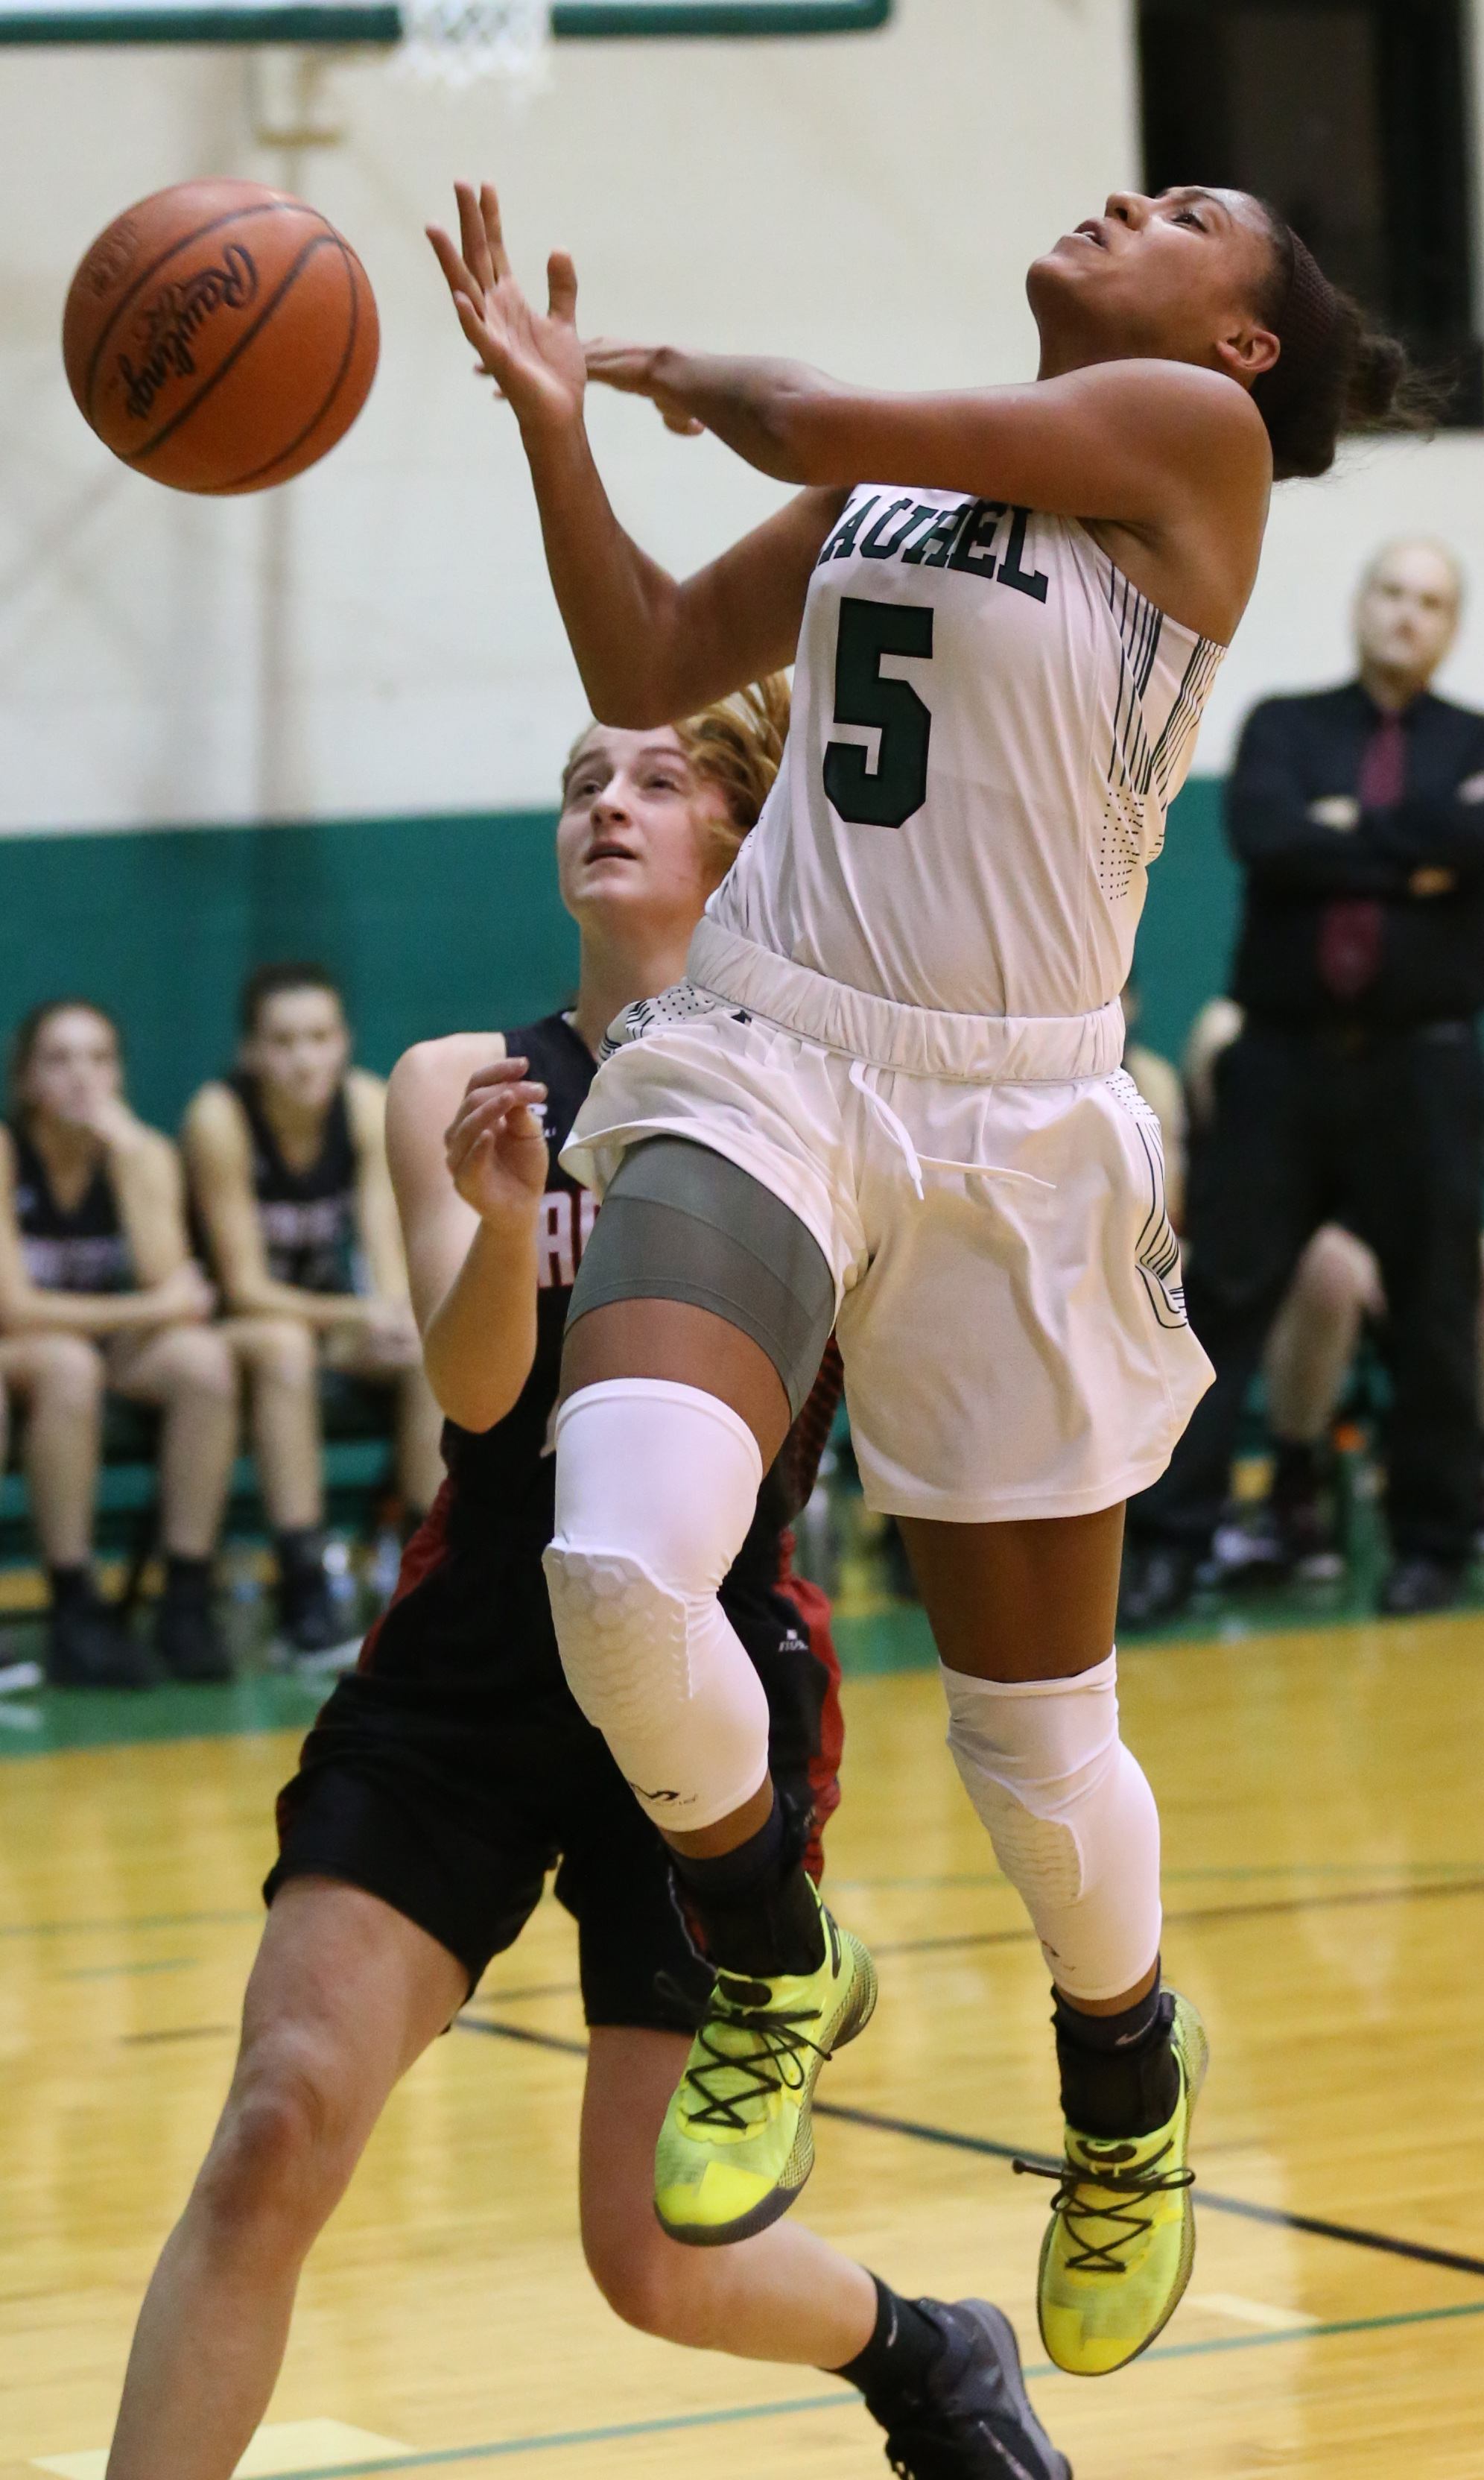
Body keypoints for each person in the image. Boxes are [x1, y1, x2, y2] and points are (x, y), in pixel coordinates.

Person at [428, 174, 1418, 2379]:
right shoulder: (903, 481)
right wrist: (549, 420)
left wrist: (673, 368)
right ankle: (766, 1939)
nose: (1126, 198)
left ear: (1239, 344)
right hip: (771, 1052)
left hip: (1015, 1127)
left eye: (1184, 212)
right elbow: (650, 662)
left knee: (1033, 1744)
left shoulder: (1193, 449)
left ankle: (1122, 2080)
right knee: (611, 1569)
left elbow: (797, 412)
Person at [105, 692, 1069, 2480]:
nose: (603, 805)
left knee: (650, 2260)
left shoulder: (824, 1113)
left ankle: (924, 2349)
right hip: (471, 1654)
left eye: (654, 779)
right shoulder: (454, 1079)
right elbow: (475, 1399)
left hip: (703, 1676)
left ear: (737, 835)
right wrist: (498, 1216)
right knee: (273, 2122)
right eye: (576, 783)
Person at [1122, 538, 1484, 1625]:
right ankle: (1173, 1546)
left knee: (1435, 1314)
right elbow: (1267, 838)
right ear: (1360, 604)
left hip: (1422, 1070)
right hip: (1279, 1065)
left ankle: (1430, 1542)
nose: (1405, 616)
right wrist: (1422, 851)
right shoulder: (1284, 725)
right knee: (1219, 1308)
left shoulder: (1476, 742)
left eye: (1430, 602)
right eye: (1390, 593)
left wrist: (1347, 832)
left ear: (1450, 625)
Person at [184, 967, 443, 1659]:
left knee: (424, 1347)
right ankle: (303, 1583)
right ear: (252, 1052)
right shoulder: (221, 1117)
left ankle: (428, 1575)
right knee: (283, 1347)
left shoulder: (364, 1101)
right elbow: (243, 1286)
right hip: (234, 1329)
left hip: (327, 1319)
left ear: (344, 1042)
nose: (304, 1058)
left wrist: (389, 1313)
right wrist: (359, 1310)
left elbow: (384, 1243)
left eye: (320, 1037)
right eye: (284, 1041)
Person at [0, 1001, 233, 1686]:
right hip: (23, 1353)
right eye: (60, 1060)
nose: (82, 1077)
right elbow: (14, 1311)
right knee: (68, 1366)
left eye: (99, 1059)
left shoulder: (139, 1153)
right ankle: (74, 1603)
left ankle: (185, 1596)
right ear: (26, 1079)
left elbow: (177, 1296)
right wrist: (147, 1307)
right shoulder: (8, 1149)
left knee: (204, 1362)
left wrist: (136, 1159)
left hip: (100, 1343)